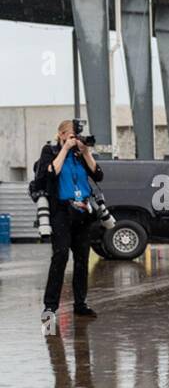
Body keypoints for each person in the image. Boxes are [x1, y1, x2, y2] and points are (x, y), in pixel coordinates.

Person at [35, 120, 103, 322]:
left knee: (82, 260)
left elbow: (98, 175)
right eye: (72, 135)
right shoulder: (50, 150)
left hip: (83, 212)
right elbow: (49, 173)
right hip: (61, 211)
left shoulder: (79, 155)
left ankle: (80, 304)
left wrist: (86, 152)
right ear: (62, 134)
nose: (75, 139)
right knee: (60, 256)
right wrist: (64, 148)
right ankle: (50, 306)